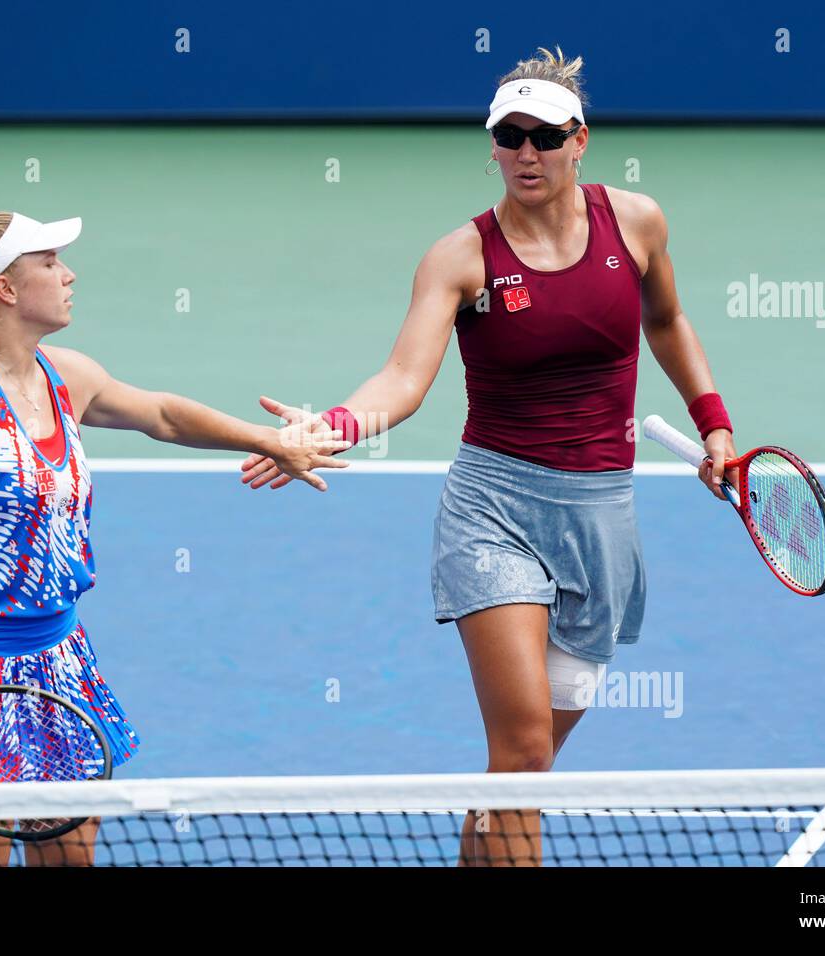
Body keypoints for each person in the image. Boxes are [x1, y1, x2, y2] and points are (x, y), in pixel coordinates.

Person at [240, 47, 737, 866]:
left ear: (581, 140)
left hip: (602, 515)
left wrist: (714, 423)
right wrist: (331, 424)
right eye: (510, 137)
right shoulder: (460, 258)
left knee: (522, 767)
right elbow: (403, 378)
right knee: (525, 756)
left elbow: (669, 323)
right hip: (494, 510)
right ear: (492, 146)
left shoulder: (638, 222)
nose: (527, 153)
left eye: (544, 135)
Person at [0, 211, 350, 865]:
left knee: (70, 858)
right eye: (49, 261)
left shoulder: (66, 376)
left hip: (59, 658)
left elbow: (162, 414)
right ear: (6, 289)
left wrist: (268, 440)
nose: (68, 272)